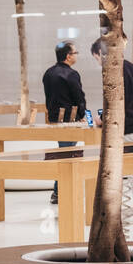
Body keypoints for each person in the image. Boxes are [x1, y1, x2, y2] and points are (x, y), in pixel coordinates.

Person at [91, 37, 133, 224]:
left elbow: (115, 102)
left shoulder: (113, 70)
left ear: (100, 53)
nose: (98, 62)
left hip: (129, 126)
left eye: (96, 57)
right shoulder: (131, 66)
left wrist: (101, 119)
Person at [42, 41, 85, 204]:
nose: (76, 55)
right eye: (75, 53)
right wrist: (84, 116)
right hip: (70, 121)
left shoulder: (48, 73)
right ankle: (59, 191)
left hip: (54, 119)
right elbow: (79, 98)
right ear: (68, 56)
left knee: (64, 152)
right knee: (67, 155)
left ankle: (60, 191)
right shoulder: (71, 74)